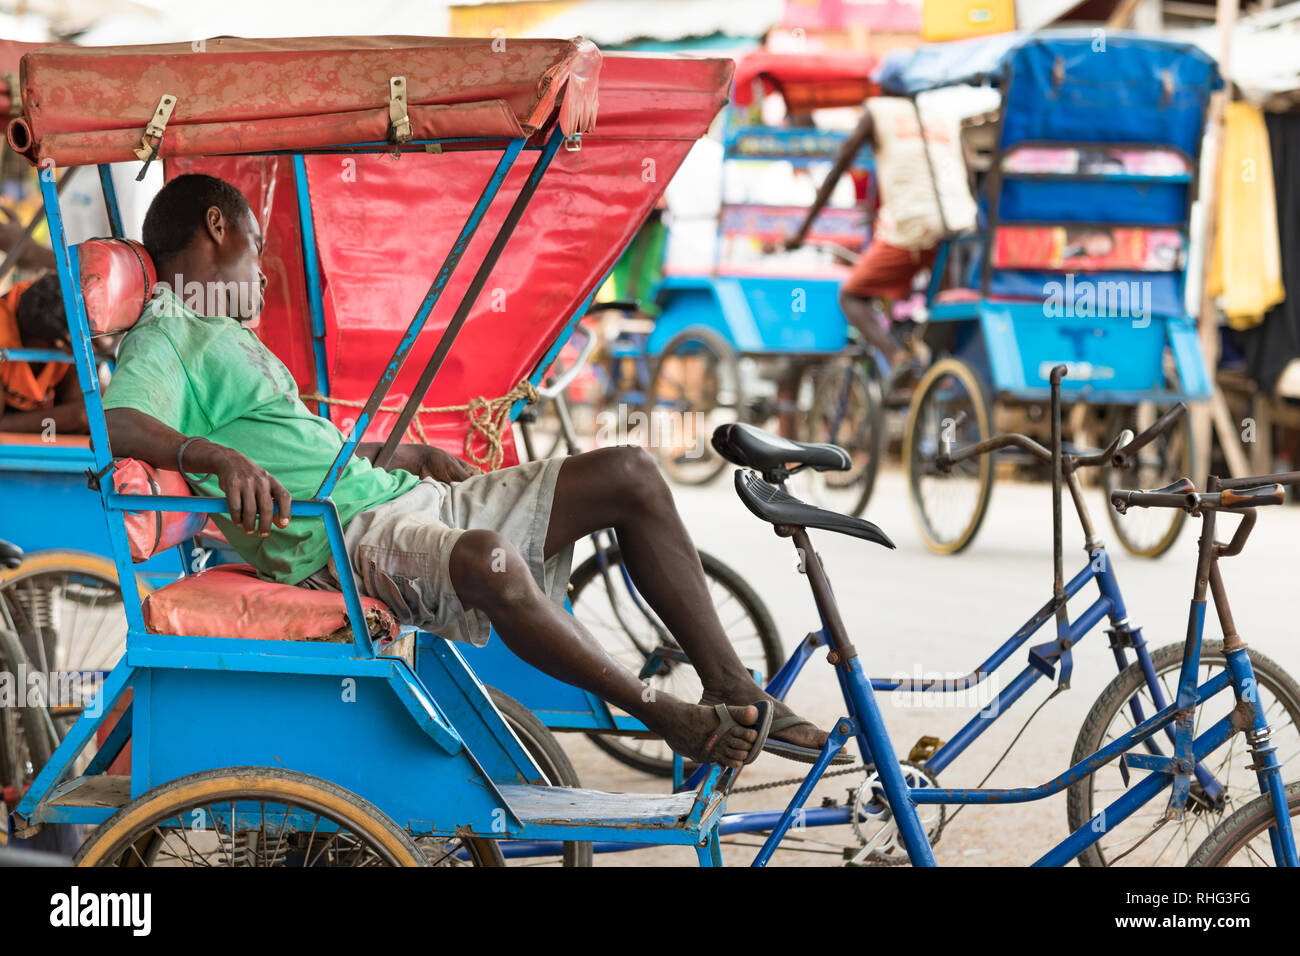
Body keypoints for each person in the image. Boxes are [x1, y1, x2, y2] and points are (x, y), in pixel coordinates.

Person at [102, 174, 837, 770]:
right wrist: (211, 457)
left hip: (399, 497)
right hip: (344, 541)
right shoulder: (169, 333)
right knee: (492, 559)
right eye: (256, 248)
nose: (260, 271)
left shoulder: (228, 335)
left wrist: (405, 452)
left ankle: (733, 685)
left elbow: (304, 452)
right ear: (217, 227)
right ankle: (665, 716)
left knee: (631, 472)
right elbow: (118, 421)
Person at [787, 96, 978, 389]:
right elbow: (970, 174)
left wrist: (801, 232)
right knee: (937, 307)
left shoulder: (878, 111)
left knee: (850, 295)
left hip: (914, 231)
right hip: (958, 228)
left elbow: (837, 170)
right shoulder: (945, 111)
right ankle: (930, 373)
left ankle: (896, 356)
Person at [0, 273, 89, 434]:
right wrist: (71, 417)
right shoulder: (6, 325)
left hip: (42, 428)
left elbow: (84, 415)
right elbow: (79, 416)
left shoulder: (68, 319)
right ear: (62, 345)